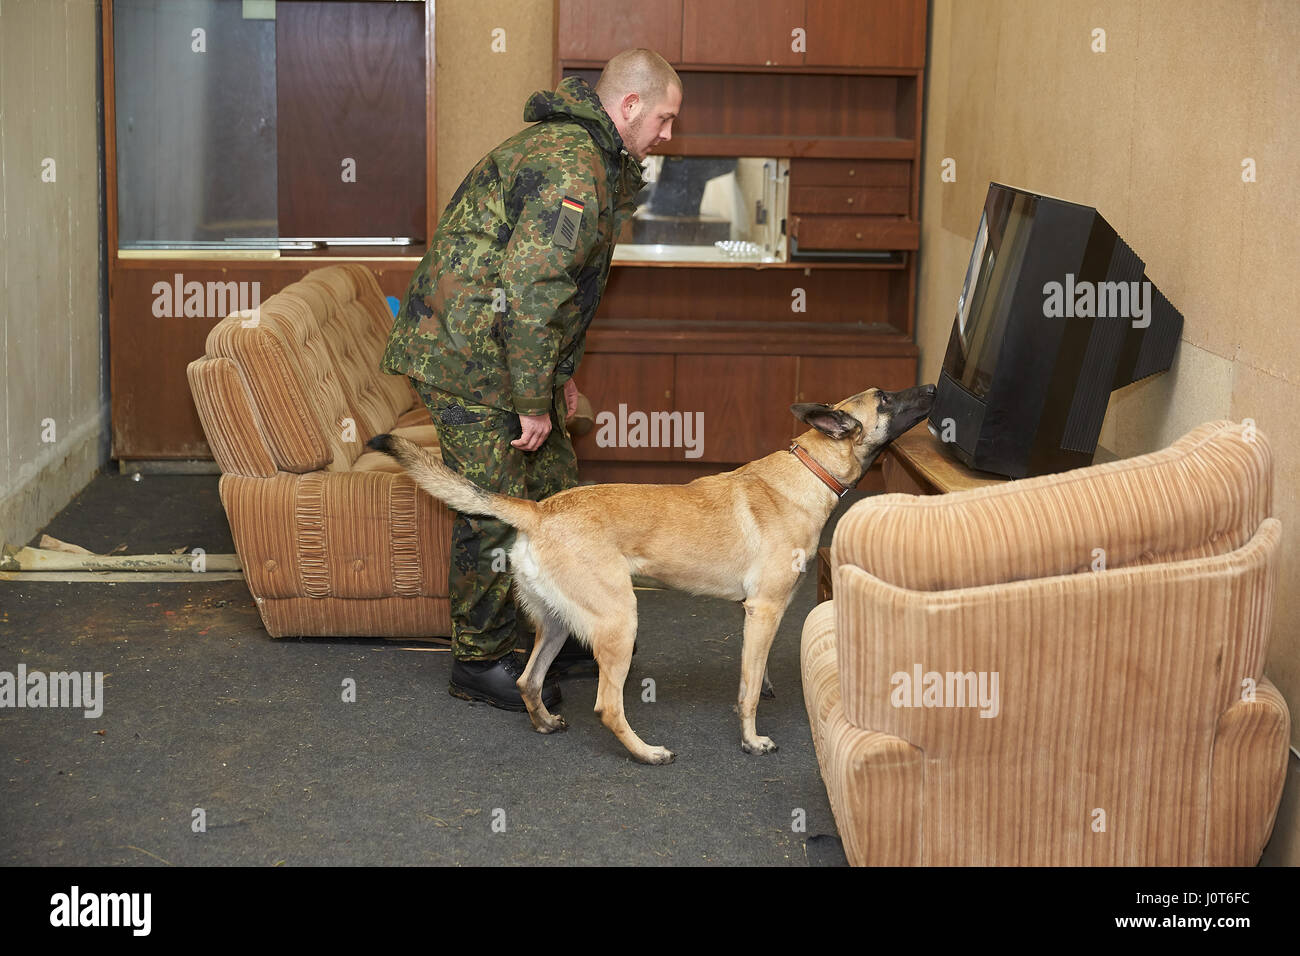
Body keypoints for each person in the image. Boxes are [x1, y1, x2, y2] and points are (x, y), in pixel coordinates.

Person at [380, 49, 682, 710]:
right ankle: (479, 660)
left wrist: (557, 379)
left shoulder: (590, 157)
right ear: (629, 105)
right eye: (663, 119)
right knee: (494, 507)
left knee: (559, 496)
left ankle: (569, 626)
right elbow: (534, 285)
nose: (667, 135)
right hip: (464, 356)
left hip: (501, 350)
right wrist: (529, 398)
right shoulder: (573, 165)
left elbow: (562, 290)